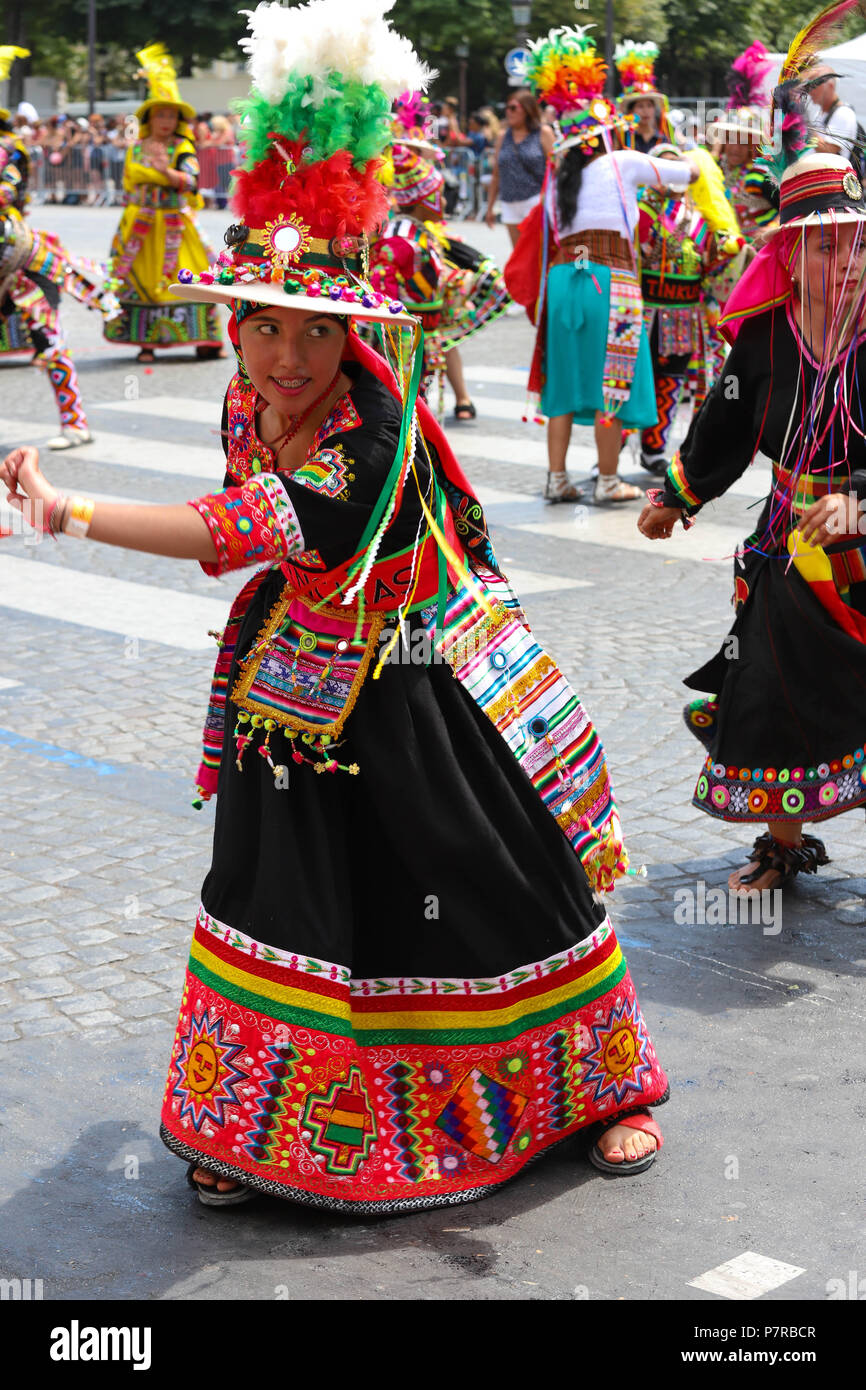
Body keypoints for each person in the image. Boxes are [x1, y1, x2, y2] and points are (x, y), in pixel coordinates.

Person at [3, 0, 670, 1212]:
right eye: (262, 328)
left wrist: (69, 514)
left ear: (352, 334)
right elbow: (254, 531)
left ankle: (600, 1084)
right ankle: (256, 1123)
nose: (285, 359)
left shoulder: (367, 439)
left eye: (314, 332)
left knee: (486, 878)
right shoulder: (246, 405)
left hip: (412, 683)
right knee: (275, 897)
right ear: (235, 325)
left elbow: (240, 529)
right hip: (288, 693)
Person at [638, 148, 866, 893]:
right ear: (790, 256)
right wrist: (680, 494)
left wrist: (858, 498)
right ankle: (782, 846)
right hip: (789, 545)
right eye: (827, 245)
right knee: (770, 687)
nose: (849, 262)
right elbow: (726, 425)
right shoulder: (766, 339)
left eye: (859, 242)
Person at [508, 26, 696, 504]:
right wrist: (692, 152)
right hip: (612, 281)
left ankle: (557, 478)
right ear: (606, 135)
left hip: (565, 281)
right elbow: (683, 177)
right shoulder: (623, 163)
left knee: (566, 383)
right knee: (612, 379)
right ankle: (609, 481)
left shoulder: (559, 179)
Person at [0, 46, 120, 449]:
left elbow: (10, 189)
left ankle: (75, 423)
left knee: (49, 342)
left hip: (24, 264)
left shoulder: (7, 153)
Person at [371, 102, 509, 420]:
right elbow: (381, 296)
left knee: (415, 412)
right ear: (426, 200)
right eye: (441, 195)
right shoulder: (402, 241)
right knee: (405, 414)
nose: (446, 201)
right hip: (404, 346)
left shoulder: (419, 236)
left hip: (421, 339)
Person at [103, 43, 222, 364]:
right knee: (141, 278)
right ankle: (147, 343)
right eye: (161, 114)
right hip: (140, 224)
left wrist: (160, 173)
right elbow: (131, 178)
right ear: (151, 118)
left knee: (190, 273)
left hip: (174, 223)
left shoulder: (183, 147)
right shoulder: (137, 148)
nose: (166, 120)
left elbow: (191, 181)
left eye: (171, 115)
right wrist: (156, 175)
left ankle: (205, 340)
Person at [485, 88, 554, 246]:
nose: (509, 112)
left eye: (513, 108)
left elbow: (555, 169)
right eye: (507, 108)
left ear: (528, 110)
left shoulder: (543, 133)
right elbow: (497, 174)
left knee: (537, 253)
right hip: (509, 202)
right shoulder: (503, 136)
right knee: (518, 254)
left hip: (536, 200)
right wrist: (490, 207)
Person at [614, 40, 670, 153]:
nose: (646, 111)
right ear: (630, 110)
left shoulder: (663, 140)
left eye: (649, 106)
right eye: (640, 106)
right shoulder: (623, 139)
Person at [805, 63, 859, 164]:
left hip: (830, 178)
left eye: (814, 86)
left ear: (830, 86)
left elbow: (829, 150)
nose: (810, 91)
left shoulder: (844, 113)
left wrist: (804, 122)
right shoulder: (821, 113)